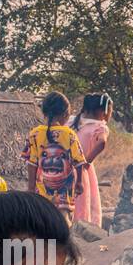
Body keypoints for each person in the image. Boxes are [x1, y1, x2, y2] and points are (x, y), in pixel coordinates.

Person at [22, 91, 88, 220]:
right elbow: (79, 161)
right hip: (64, 195)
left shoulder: (35, 134)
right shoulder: (69, 134)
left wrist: (30, 188)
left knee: (43, 225)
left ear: (44, 112)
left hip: (41, 194)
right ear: (65, 114)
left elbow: (31, 163)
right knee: (64, 224)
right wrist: (79, 183)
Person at [70, 92, 113, 228]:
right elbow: (102, 143)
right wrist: (86, 161)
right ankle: (82, 231)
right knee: (82, 202)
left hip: (64, 166)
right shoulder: (99, 127)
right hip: (81, 169)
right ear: (102, 111)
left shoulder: (71, 121)